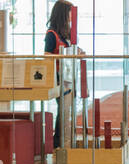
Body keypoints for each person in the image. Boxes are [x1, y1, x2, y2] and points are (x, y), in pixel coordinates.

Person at [44, 1, 75, 148]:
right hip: (57, 77)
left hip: (67, 77)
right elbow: (47, 56)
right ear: (63, 13)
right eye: (70, 12)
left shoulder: (65, 33)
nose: (72, 16)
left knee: (64, 111)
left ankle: (60, 142)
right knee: (63, 111)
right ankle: (58, 143)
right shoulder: (52, 34)